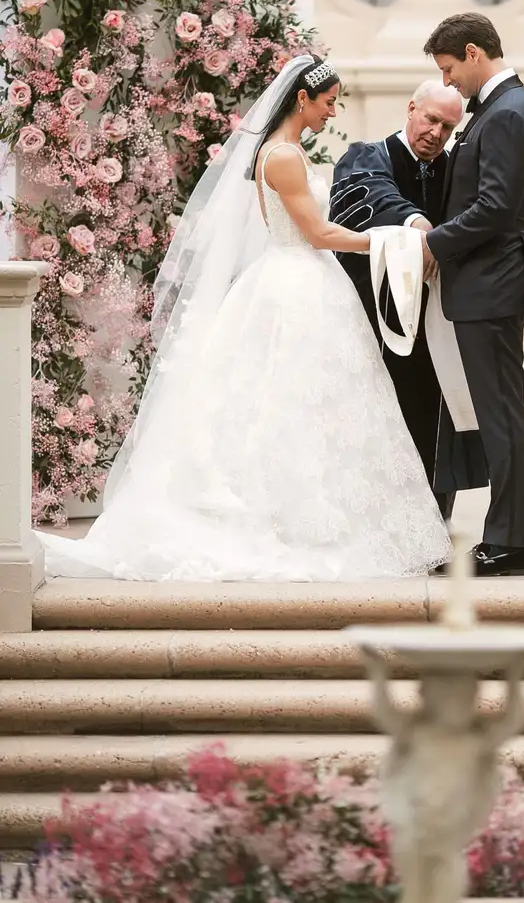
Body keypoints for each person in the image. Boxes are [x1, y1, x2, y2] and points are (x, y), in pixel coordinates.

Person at [40, 55, 451, 583]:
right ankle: (290, 520)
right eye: (327, 103)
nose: (331, 113)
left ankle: (322, 514)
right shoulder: (282, 157)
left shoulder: (288, 151)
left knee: (320, 402)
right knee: (287, 400)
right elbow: (319, 235)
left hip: (306, 280)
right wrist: (394, 240)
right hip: (297, 282)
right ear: (302, 98)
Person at [422, 13, 524, 578]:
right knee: (501, 413)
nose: (448, 83)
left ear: (474, 53)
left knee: (500, 415)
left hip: (494, 283)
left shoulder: (508, 113)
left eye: (449, 70)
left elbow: (495, 207)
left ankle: (506, 544)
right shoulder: (499, 110)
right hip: (488, 283)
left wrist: (435, 245)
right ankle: (506, 538)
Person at [329, 81, 463, 516]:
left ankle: (430, 514)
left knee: (435, 415)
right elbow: (369, 197)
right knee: (379, 410)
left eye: (448, 127)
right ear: (411, 109)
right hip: (378, 312)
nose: (437, 134)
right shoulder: (367, 156)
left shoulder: (456, 168)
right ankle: (374, 512)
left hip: (436, 317)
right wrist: (415, 222)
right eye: (431, 119)